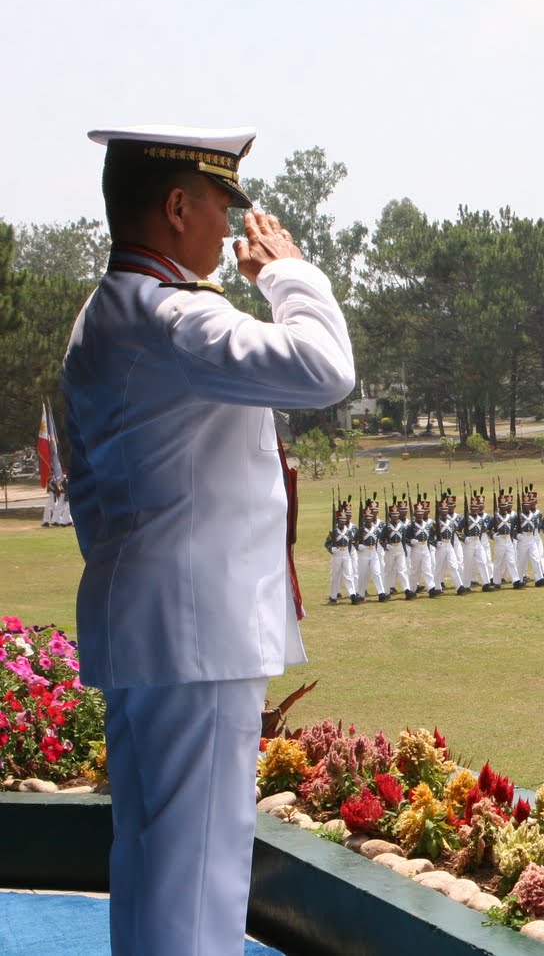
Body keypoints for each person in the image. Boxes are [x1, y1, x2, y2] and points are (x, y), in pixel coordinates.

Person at [64, 125, 355, 956]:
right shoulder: (173, 319)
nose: (233, 221)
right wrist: (288, 274)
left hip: (148, 620)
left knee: (154, 864)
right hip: (198, 636)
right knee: (199, 876)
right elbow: (326, 368)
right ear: (177, 203)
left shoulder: (102, 316)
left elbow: (85, 488)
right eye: (222, 199)